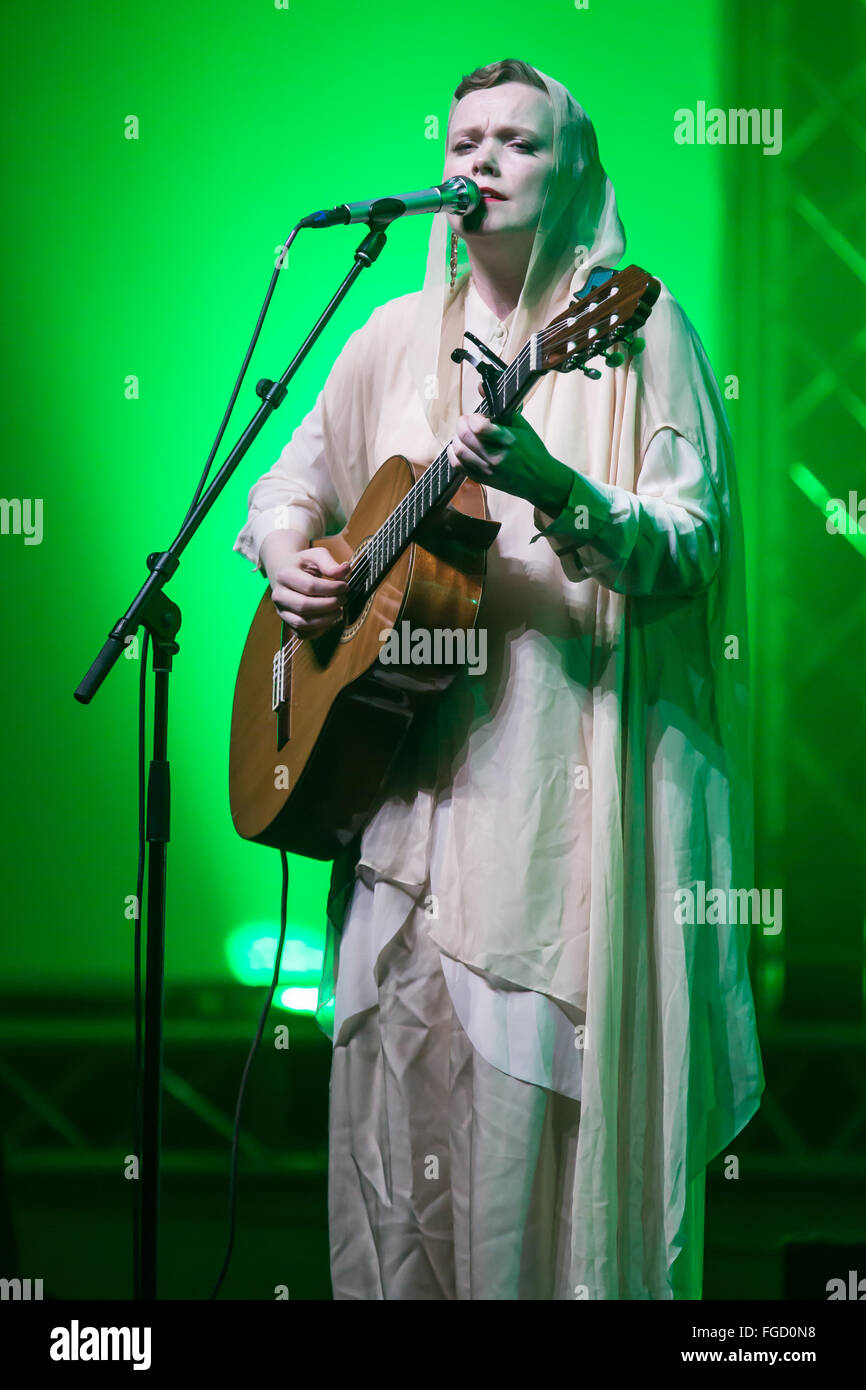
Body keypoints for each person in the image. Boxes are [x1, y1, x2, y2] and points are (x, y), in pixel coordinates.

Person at [233, 58, 765, 1300]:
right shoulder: (383, 335)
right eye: (463, 139)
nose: (477, 162)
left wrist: (556, 488)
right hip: (397, 810)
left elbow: (690, 541)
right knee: (391, 1170)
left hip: (545, 814)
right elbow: (282, 487)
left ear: (574, 173)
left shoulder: (630, 328)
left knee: (525, 1166)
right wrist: (289, 560)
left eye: (515, 144)